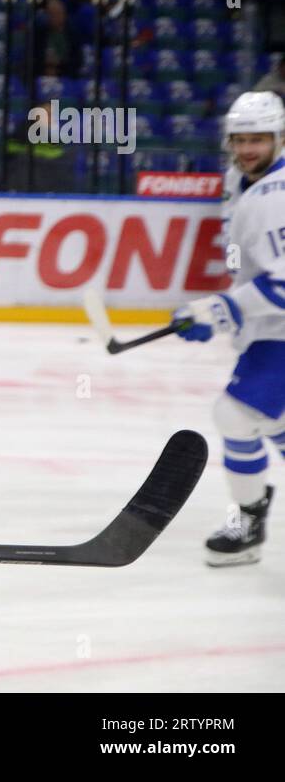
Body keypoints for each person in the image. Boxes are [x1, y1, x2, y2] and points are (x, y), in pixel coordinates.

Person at [170, 92, 285, 566]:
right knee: (270, 420)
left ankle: (248, 523)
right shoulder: (242, 182)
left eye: (259, 138)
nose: (249, 148)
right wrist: (226, 311)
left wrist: (222, 310)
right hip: (269, 327)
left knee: (235, 414)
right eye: (241, 139)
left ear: (279, 138)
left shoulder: (276, 195)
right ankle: (250, 519)